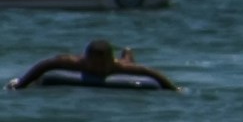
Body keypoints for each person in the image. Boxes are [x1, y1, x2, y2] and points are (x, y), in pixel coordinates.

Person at [13, 36, 176, 91]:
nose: (98, 70)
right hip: (77, 59)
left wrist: (174, 89)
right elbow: (45, 65)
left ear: (110, 62)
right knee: (60, 57)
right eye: (95, 65)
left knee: (127, 61)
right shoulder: (77, 63)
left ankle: (127, 51)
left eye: (102, 66)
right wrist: (22, 84)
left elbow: (151, 72)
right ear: (87, 61)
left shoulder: (117, 66)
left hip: (119, 62)